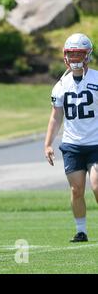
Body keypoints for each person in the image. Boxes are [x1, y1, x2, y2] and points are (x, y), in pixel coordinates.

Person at [45, 33, 98, 243]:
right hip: (72, 144)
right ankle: (81, 230)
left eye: (79, 54)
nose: (75, 58)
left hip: (96, 142)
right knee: (76, 190)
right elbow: (56, 117)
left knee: (96, 185)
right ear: (65, 56)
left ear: (88, 55)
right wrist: (48, 143)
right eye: (71, 54)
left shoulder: (96, 79)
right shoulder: (60, 85)